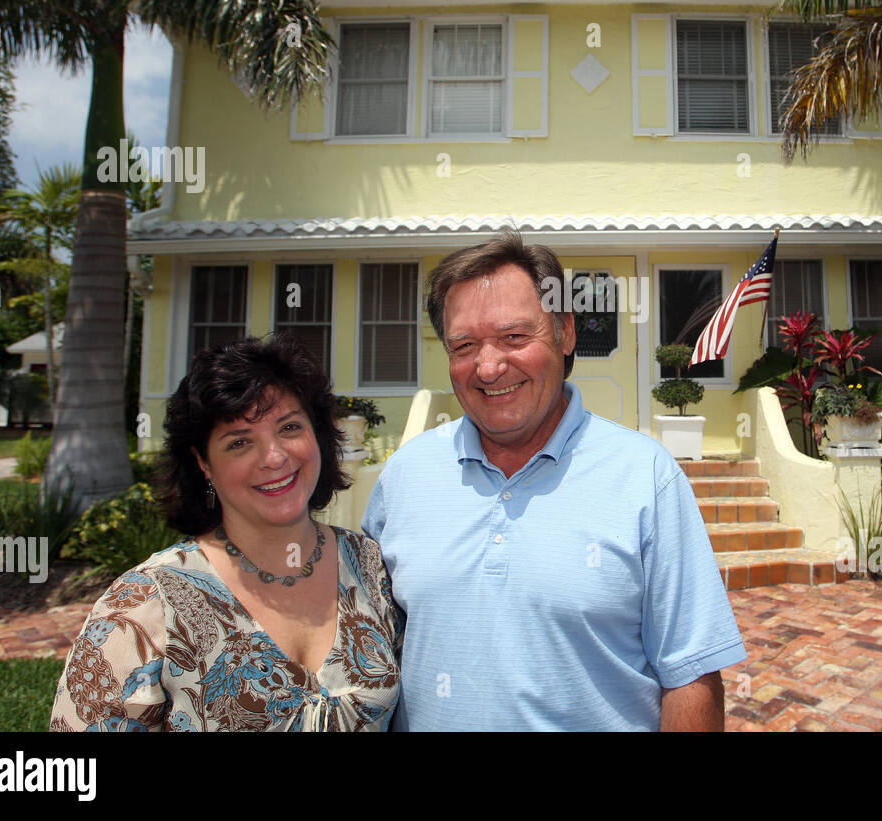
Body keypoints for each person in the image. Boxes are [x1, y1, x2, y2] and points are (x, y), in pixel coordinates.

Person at [362, 230, 746, 731]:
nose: (489, 366)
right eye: (464, 345)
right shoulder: (404, 477)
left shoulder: (645, 478)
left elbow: (691, 675)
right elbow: (362, 648)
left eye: (515, 337)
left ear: (565, 332)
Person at [50, 334, 402, 731]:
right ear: (203, 463)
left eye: (289, 427)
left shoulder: (370, 566)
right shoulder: (145, 606)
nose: (274, 457)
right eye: (239, 442)